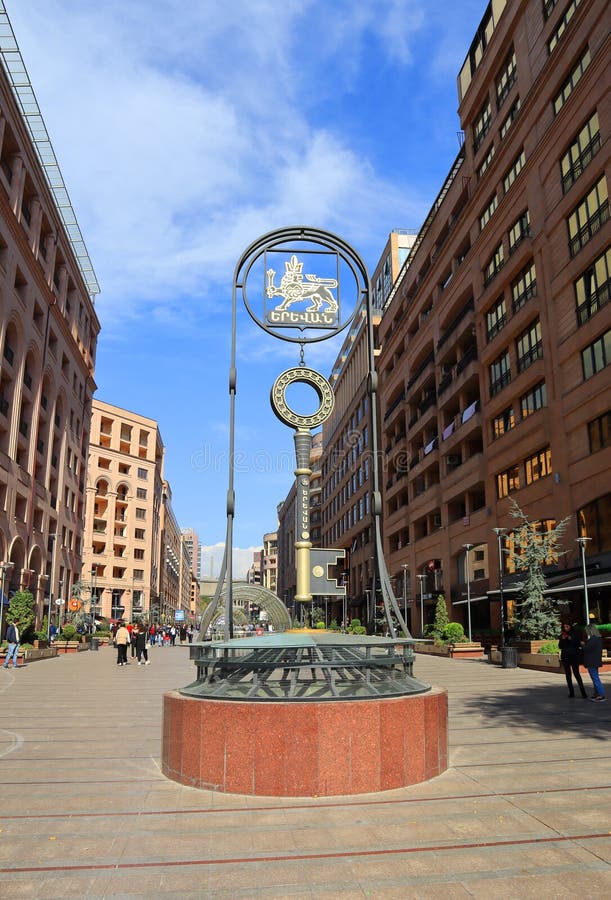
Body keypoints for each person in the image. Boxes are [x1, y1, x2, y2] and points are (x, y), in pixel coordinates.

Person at [558, 622, 587, 698]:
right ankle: (571, 693)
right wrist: (563, 640)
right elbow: (560, 646)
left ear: (570, 627)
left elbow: (578, 644)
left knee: (576, 674)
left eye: (567, 626)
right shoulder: (562, 635)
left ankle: (583, 693)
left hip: (574, 657)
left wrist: (571, 639)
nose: (565, 628)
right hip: (565, 657)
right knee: (568, 675)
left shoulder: (575, 634)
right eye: (564, 627)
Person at [582, 624, 606, 701]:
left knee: (595, 678)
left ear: (591, 630)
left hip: (591, 661)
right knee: (595, 678)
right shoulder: (598, 639)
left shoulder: (593, 639)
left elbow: (586, 649)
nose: (586, 632)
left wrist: (583, 645)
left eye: (587, 630)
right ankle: (597, 694)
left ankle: (601, 695)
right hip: (595, 661)